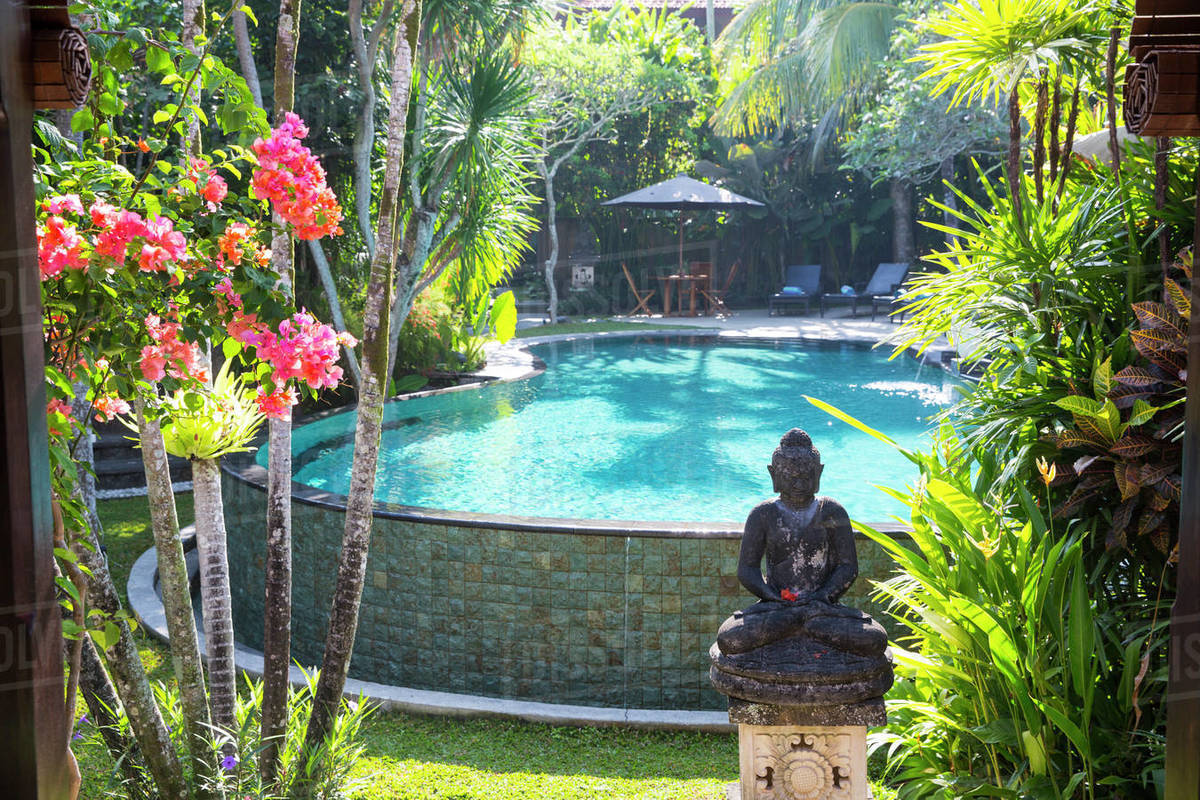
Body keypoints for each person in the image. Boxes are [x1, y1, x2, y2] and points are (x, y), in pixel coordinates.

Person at [716, 428, 888, 658]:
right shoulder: (763, 514)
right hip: (778, 607)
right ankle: (800, 623)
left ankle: (803, 623)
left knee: (875, 639)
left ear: (819, 473)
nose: (799, 485)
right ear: (774, 475)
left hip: (821, 607)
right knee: (730, 638)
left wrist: (823, 596)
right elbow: (747, 569)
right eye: (791, 478)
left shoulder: (832, 511)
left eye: (806, 477)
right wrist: (770, 595)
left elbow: (848, 567)